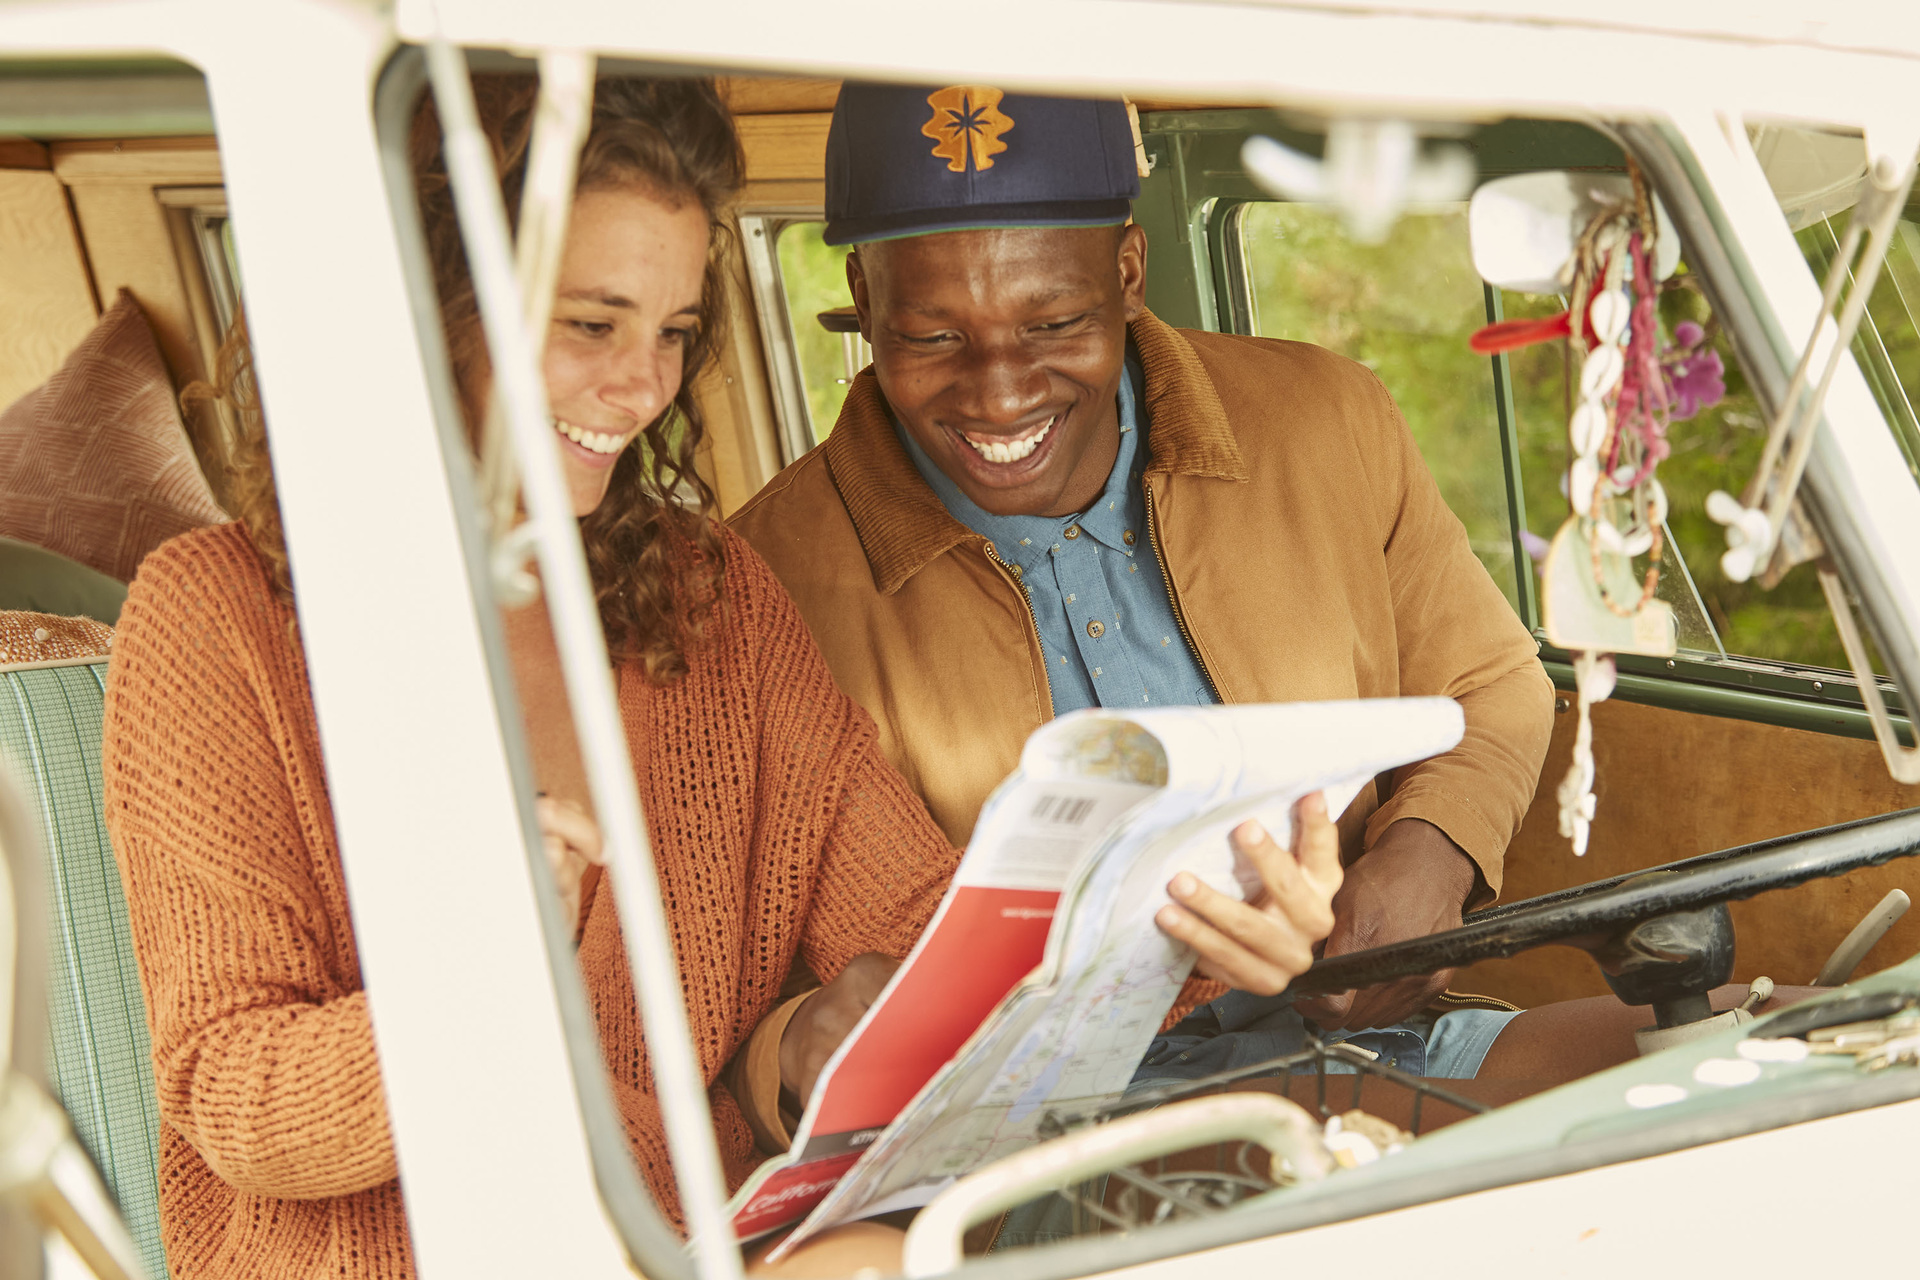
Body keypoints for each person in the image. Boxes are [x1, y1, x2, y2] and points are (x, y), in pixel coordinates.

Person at [100, 74, 1344, 1280]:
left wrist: (1189, 935)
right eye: (592, 322)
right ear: (431, 300)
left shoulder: (707, 599)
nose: (642, 386)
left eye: (676, 332)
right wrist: (475, 981)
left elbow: (928, 936)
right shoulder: (218, 620)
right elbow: (235, 1102)